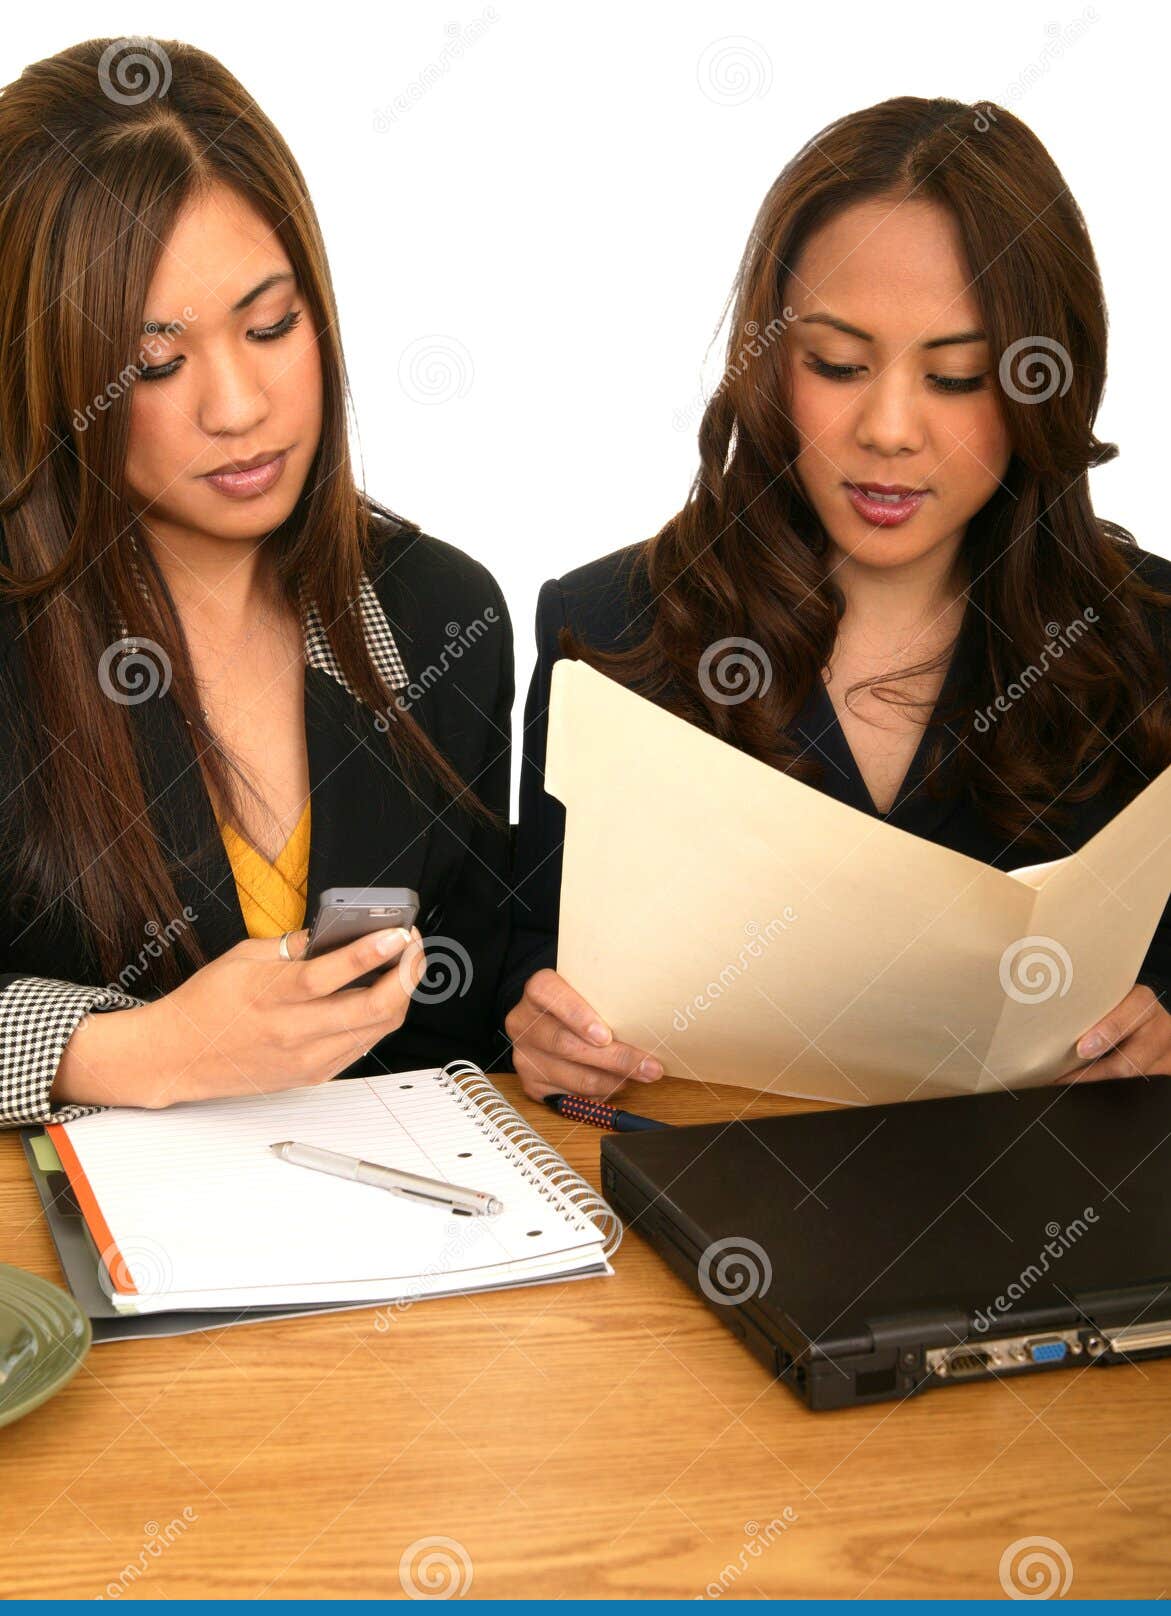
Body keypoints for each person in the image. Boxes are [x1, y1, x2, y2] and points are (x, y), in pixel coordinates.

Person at [503, 94, 1171, 1103]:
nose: (889, 428)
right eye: (837, 364)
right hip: (693, 1208)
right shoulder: (606, 632)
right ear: (769, 359)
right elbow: (515, 959)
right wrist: (534, 1023)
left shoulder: (1145, 635)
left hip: (1047, 1229)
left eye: (955, 376)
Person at [0, 38, 512, 1126]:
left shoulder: (437, 617)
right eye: (154, 363)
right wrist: (128, 1051)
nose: (237, 406)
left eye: (270, 324)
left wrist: (555, 1017)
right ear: (46, 372)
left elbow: (463, 1024)